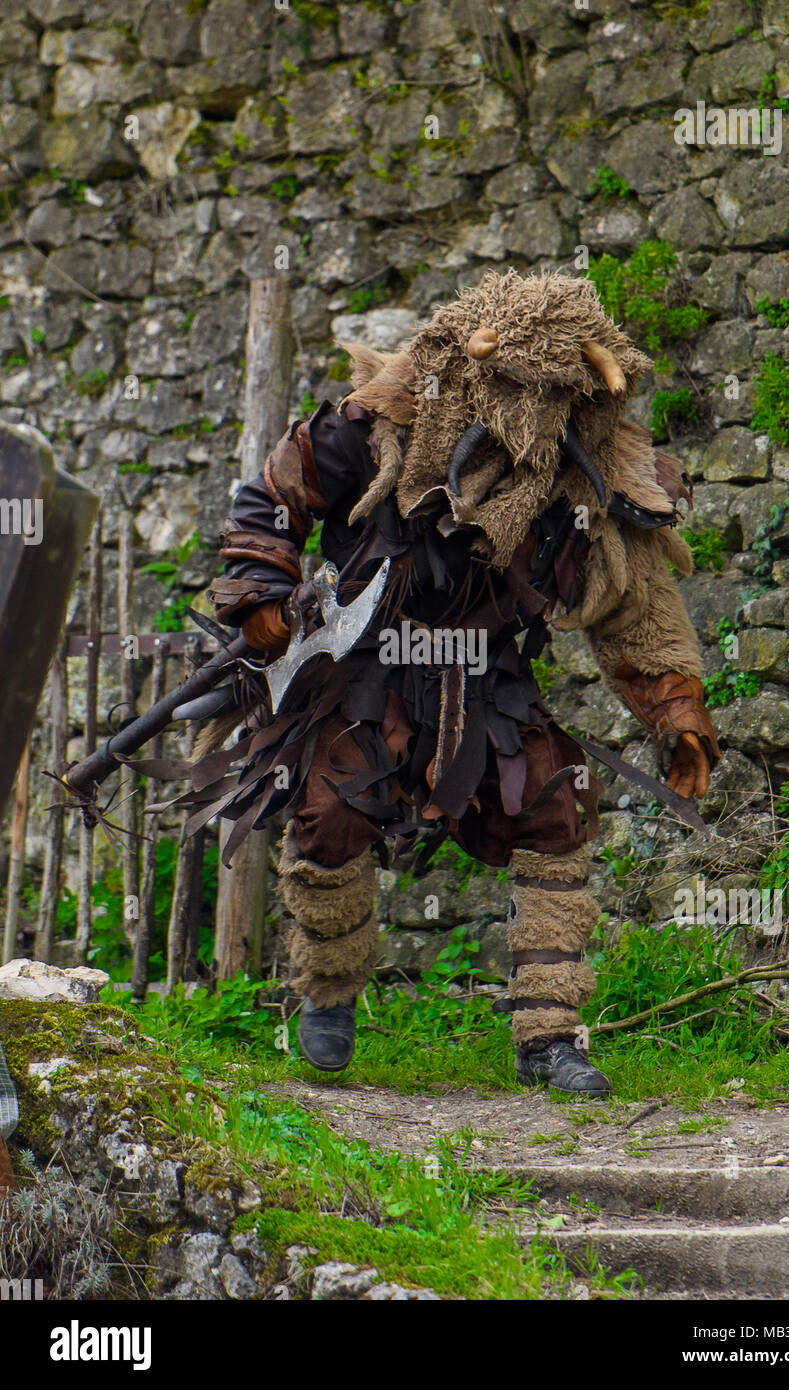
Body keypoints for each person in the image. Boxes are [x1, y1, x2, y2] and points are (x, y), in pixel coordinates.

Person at [192, 268, 720, 1097]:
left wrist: (673, 707)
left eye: (553, 390)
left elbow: (634, 597)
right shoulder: (375, 426)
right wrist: (260, 592)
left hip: (489, 684)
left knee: (558, 807)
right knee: (328, 813)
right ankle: (328, 997)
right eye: (515, 385)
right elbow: (272, 495)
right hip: (365, 671)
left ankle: (549, 1037)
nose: (532, 407)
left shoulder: (586, 470)